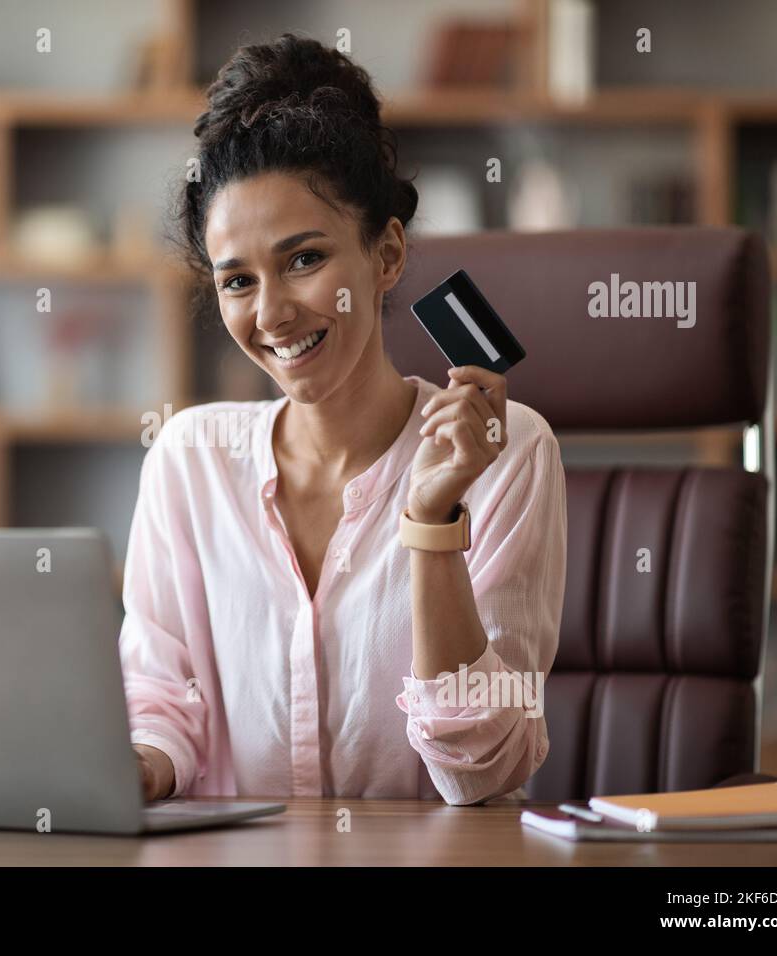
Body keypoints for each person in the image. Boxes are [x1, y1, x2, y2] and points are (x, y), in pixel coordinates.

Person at [126, 34, 566, 806]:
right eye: (236, 281)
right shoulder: (187, 459)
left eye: (304, 260)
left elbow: (484, 773)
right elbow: (162, 704)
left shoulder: (508, 450)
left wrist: (433, 521)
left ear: (387, 253)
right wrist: (134, 767)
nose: (271, 314)